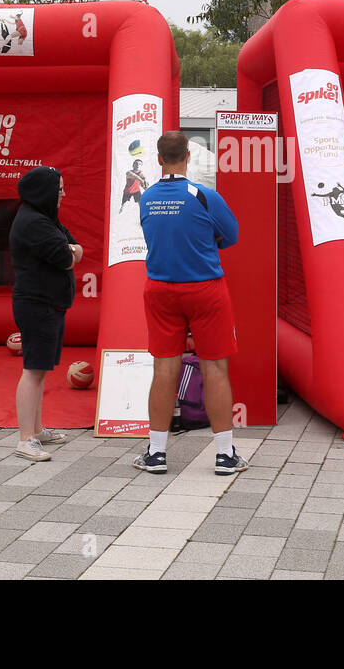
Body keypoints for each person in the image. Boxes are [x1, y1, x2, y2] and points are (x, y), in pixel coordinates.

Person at [134, 130, 246, 476]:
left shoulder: (146, 197)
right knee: (215, 367)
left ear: (157, 159)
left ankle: (156, 453)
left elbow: (160, 234)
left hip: (160, 290)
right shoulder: (205, 196)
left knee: (164, 368)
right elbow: (232, 236)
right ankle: (225, 455)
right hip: (204, 289)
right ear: (188, 157)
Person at [9, 165, 81, 462]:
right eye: (59, 189)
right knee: (33, 370)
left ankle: (36, 430)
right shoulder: (34, 223)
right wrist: (72, 252)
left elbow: (76, 248)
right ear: (45, 192)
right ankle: (26, 438)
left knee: (40, 371)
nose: (63, 194)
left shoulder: (45, 219)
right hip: (36, 304)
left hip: (49, 303)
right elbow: (68, 256)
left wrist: (73, 250)